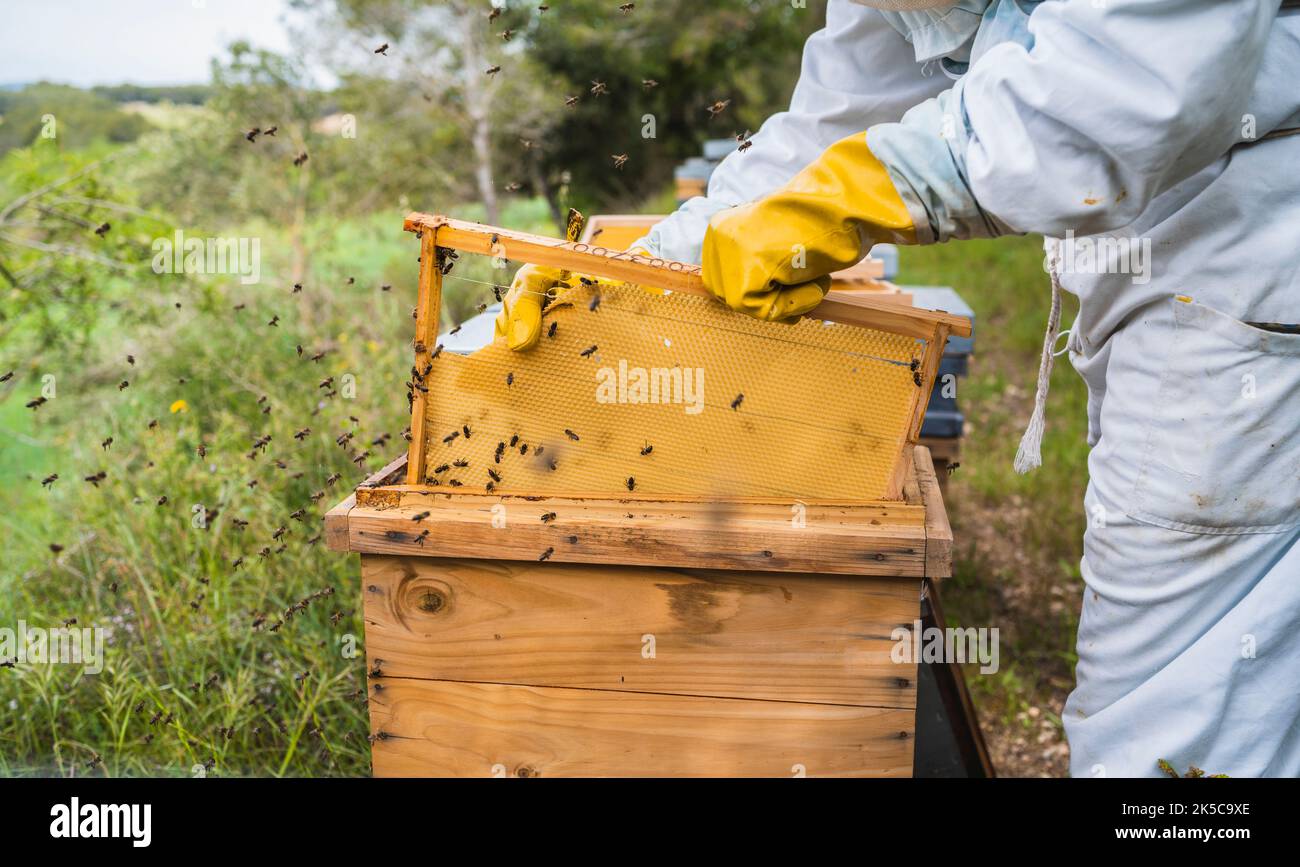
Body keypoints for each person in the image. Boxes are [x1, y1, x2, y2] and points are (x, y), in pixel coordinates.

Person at [496, 0, 1300, 777]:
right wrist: (641, 266)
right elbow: (833, 126)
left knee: (1180, 707)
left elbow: (1127, 83)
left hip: (1255, 252)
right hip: (1180, 267)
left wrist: (862, 191)